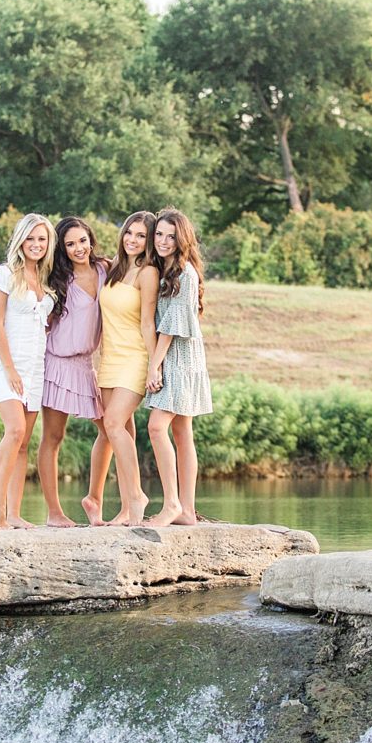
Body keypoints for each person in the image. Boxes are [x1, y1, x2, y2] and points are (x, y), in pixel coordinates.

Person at [86, 211, 158, 526]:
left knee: (113, 423)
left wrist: (154, 365)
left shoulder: (148, 273)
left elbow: (147, 323)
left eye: (141, 235)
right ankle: (127, 509)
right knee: (121, 430)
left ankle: (137, 496)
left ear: (149, 240)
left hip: (135, 357)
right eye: (129, 232)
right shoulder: (113, 267)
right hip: (109, 359)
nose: (133, 239)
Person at [0, 213, 55, 529]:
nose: (36, 244)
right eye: (30, 238)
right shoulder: (3, 275)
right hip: (6, 365)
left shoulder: (46, 279)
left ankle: (14, 512)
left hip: (35, 367)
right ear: (20, 240)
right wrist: (10, 369)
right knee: (14, 430)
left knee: (24, 442)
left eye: (42, 239)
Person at [36, 217, 109, 528]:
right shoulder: (56, 279)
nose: (79, 248)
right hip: (57, 363)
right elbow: (32, 311)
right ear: (62, 249)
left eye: (82, 241)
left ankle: (94, 499)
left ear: (91, 240)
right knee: (53, 436)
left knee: (110, 430)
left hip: (86, 365)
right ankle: (54, 512)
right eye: (70, 244)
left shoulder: (105, 269)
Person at [142, 208, 212, 527]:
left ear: (182, 240)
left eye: (171, 236)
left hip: (180, 360)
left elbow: (170, 328)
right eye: (159, 234)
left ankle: (172, 504)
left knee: (157, 427)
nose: (163, 241)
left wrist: (154, 366)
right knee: (182, 432)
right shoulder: (164, 269)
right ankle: (187, 510)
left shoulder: (185, 274)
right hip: (175, 357)